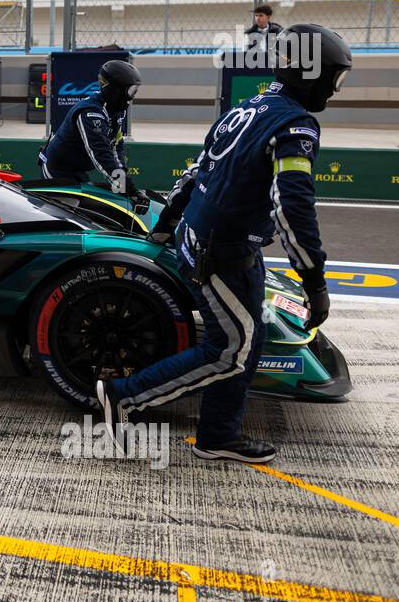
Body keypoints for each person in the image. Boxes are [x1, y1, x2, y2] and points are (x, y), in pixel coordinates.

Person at [97, 24, 352, 464]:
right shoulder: (295, 126)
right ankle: (122, 397)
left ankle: (218, 435)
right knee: (230, 351)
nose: (336, 89)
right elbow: (292, 210)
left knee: (244, 342)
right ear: (313, 73)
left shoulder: (248, 107)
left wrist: (169, 223)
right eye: (336, 78)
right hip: (222, 252)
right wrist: (314, 280)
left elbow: (195, 172)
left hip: (213, 242)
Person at [38, 59, 146, 207]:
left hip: (78, 170)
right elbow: (101, 154)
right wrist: (129, 189)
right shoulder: (90, 112)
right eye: (131, 90)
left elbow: (116, 146)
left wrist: (122, 186)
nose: (132, 96)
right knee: (68, 215)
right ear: (115, 89)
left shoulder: (117, 109)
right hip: (58, 170)